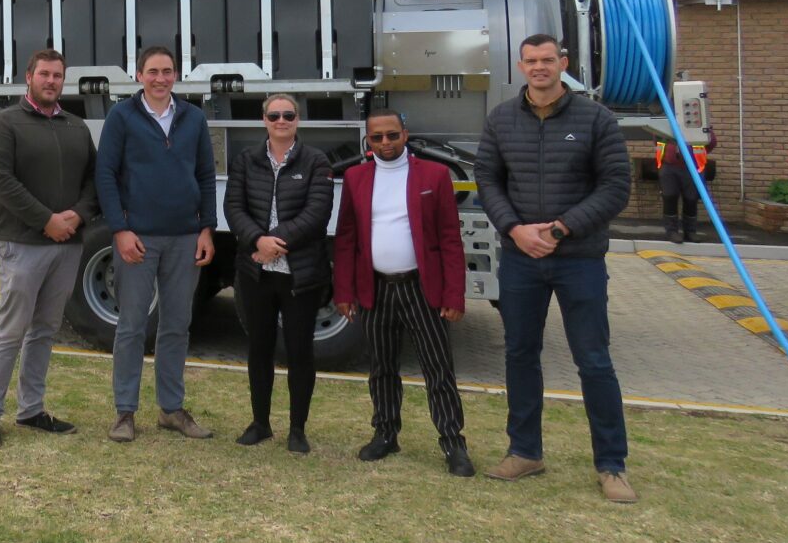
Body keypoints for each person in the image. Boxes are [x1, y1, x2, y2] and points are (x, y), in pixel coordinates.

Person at [475, 33, 637, 504]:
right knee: (520, 354)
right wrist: (515, 229)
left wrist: (563, 229)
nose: (539, 67)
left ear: (563, 63)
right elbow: (488, 180)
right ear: (520, 66)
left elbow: (615, 187)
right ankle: (525, 452)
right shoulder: (501, 119)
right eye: (531, 61)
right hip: (521, 259)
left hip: (579, 260)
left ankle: (611, 465)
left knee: (594, 360)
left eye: (548, 59)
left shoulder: (596, 118)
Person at [333, 109, 473, 477]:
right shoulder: (356, 178)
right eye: (377, 137)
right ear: (368, 140)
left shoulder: (434, 175)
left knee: (438, 368)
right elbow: (346, 238)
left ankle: (452, 442)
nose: (385, 143)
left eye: (392, 135)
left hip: (421, 289)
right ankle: (385, 434)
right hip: (376, 288)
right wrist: (344, 291)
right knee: (381, 368)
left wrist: (454, 295)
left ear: (405, 135)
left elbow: (450, 240)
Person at [0, 49, 98, 447]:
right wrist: (47, 220)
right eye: (44, 74)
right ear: (29, 77)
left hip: (67, 245)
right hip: (20, 243)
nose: (51, 81)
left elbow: (93, 181)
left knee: (45, 330)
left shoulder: (76, 127)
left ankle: (31, 410)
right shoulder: (5, 124)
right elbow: (1, 182)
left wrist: (77, 216)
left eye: (57, 75)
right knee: (12, 330)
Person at [96, 45, 217, 443]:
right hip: (138, 239)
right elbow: (106, 175)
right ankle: (124, 412)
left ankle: (171, 409)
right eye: (153, 71)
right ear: (139, 75)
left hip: (185, 238)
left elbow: (205, 175)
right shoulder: (121, 116)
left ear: (176, 75)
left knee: (177, 325)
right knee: (131, 326)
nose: (160, 78)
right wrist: (120, 230)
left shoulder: (194, 118)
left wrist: (207, 228)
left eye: (167, 71)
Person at [222, 94, 333, 454]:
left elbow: (317, 212)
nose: (281, 120)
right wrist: (257, 241)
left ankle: (297, 429)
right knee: (259, 348)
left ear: (297, 120)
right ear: (264, 120)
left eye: (288, 115)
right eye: (274, 115)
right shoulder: (246, 160)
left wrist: (275, 242)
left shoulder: (316, 161)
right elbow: (233, 207)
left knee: (300, 351)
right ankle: (260, 423)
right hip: (256, 273)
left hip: (300, 274)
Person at [655, 139, 708, 244]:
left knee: (691, 198)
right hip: (668, 166)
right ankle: (671, 231)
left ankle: (690, 231)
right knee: (669, 197)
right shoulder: (666, 127)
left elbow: (710, 142)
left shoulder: (697, 128)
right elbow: (656, 140)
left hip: (693, 168)